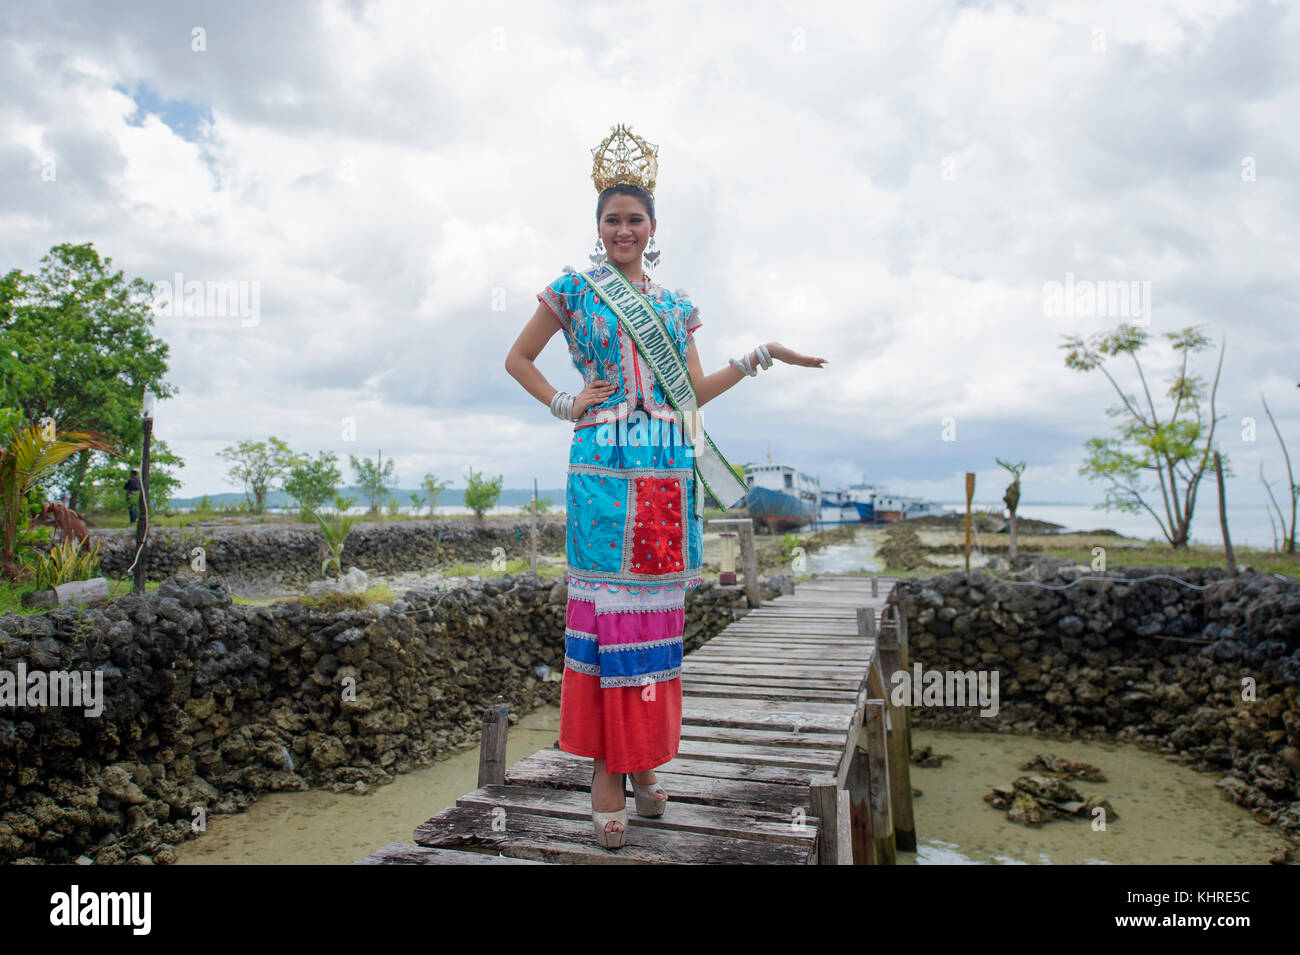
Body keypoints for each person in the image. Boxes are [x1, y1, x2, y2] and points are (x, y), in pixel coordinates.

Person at [504, 124, 826, 849]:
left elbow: (691, 398)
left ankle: (644, 763)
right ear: (599, 228)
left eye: (635, 219)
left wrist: (760, 354)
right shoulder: (572, 291)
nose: (624, 229)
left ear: (653, 229)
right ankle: (605, 775)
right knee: (605, 625)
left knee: (653, 630)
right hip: (602, 475)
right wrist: (565, 401)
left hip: (667, 479)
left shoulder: (677, 307)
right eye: (612, 219)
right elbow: (518, 358)